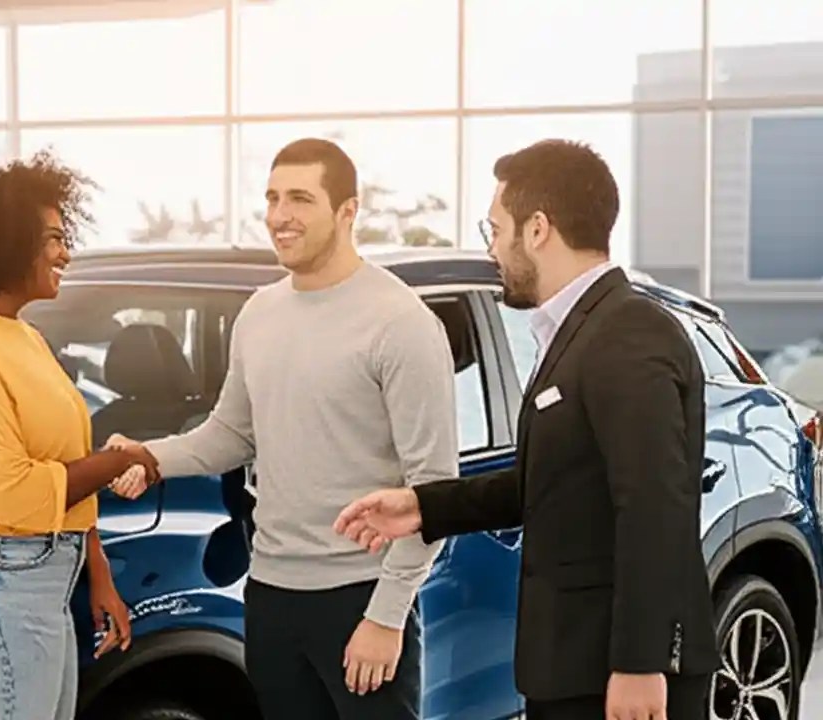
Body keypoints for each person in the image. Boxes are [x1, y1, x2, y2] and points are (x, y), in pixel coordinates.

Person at [333, 139, 720, 720]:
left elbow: (653, 507)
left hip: (612, 676)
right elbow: (554, 481)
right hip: (572, 665)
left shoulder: (627, 333)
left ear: (537, 229)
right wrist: (422, 506)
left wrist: (641, 664)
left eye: (495, 229)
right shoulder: (578, 331)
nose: (492, 248)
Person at [106, 137, 459, 720]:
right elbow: (231, 433)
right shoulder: (260, 313)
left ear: (347, 212)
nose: (279, 215)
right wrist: (149, 456)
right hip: (270, 596)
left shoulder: (400, 323)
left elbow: (435, 489)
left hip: (360, 598)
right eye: (272, 198)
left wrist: (387, 615)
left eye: (300, 198)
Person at [0, 152, 160, 720]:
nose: (65, 252)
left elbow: (60, 467)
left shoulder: (21, 337)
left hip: (32, 576)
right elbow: (9, 493)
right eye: (52, 237)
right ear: (5, 242)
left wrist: (99, 575)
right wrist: (121, 458)